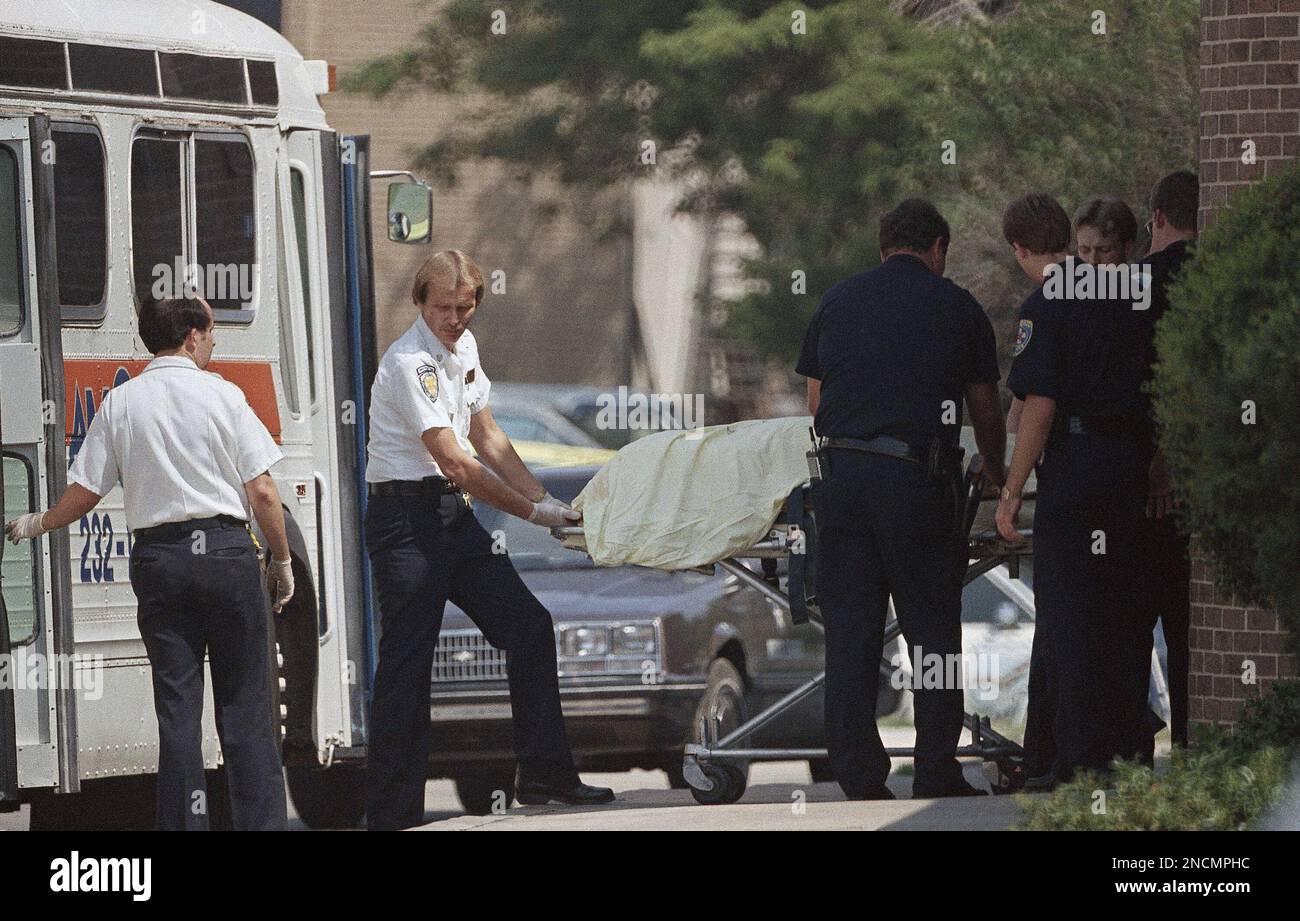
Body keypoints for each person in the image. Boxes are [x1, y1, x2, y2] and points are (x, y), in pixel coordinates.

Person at [4, 296, 293, 831]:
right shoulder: (225, 396)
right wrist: (281, 561)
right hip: (227, 556)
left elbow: (86, 491)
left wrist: (35, 523)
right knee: (246, 709)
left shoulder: (122, 403)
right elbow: (265, 492)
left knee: (178, 711)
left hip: (160, 561)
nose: (214, 342)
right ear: (191, 336)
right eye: (210, 333)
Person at [363, 250, 613, 830]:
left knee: (526, 625)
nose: (454, 318)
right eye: (443, 307)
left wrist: (549, 502)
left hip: (452, 518)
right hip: (406, 522)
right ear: (419, 302)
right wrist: (531, 514)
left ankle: (546, 774)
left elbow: (488, 435)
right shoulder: (409, 363)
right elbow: (456, 460)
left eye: (465, 306)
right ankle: (392, 815)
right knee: (407, 664)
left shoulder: (464, 348)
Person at [797, 199, 1007, 800]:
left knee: (852, 630)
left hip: (840, 482)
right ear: (938, 247)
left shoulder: (837, 300)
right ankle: (936, 767)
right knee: (932, 630)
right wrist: (995, 473)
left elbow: (817, 401)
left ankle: (859, 775)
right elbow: (985, 406)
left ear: (882, 246)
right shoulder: (957, 307)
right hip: (917, 484)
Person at [996, 193, 1154, 787]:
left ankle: (1075, 761)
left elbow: (1038, 403)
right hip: (1129, 465)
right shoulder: (1138, 301)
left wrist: (1012, 489)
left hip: (1078, 466)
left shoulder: (1051, 305)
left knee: (1069, 615)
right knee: (1120, 615)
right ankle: (1121, 752)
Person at [1134, 170, 1199, 750]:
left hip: (1141, 484)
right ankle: (1189, 747)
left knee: (1128, 625)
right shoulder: (1220, 281)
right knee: (1188, 630)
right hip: (1211, 484)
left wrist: (1157, 458)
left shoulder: (1139, 284)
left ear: (1156, 219)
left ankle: (1130, 751)